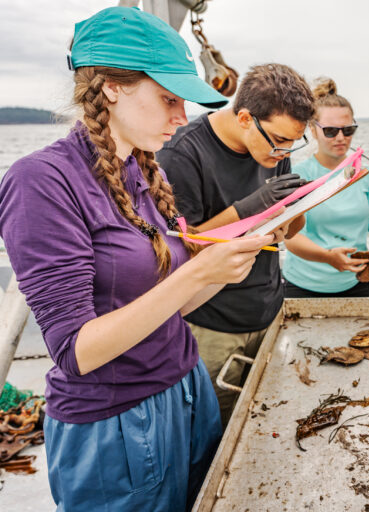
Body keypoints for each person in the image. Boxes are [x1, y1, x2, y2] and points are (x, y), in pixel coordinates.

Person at [0, 7, 277, 510]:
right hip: (116, 423)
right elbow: (76, 351)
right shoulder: (40, 181)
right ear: (111, 87)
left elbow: (174, 306)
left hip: (187, 390)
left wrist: (236, 256)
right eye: (169, 98)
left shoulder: (145, 173)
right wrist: (195, 269)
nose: (182, 117)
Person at [156, 63, 314, 426]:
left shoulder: (275, 145)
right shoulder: (181, 153)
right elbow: (183, 248)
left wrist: (300, 204)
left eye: (294, 141)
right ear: (245, 117)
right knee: (213, 429)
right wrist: (249, 207)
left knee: (266, 420)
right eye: (279, 141)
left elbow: (289, 230)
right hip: (213, 324)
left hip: (270, 308)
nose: (284, 151)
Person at [283, 78, 369, 297]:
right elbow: (291, 238)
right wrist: (328, 256)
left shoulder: (368, 177)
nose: (341, 138)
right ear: (313, 130)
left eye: (348, 130)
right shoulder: (299, 176)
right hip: (302, 285)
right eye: (331, 131)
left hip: (357, 282)